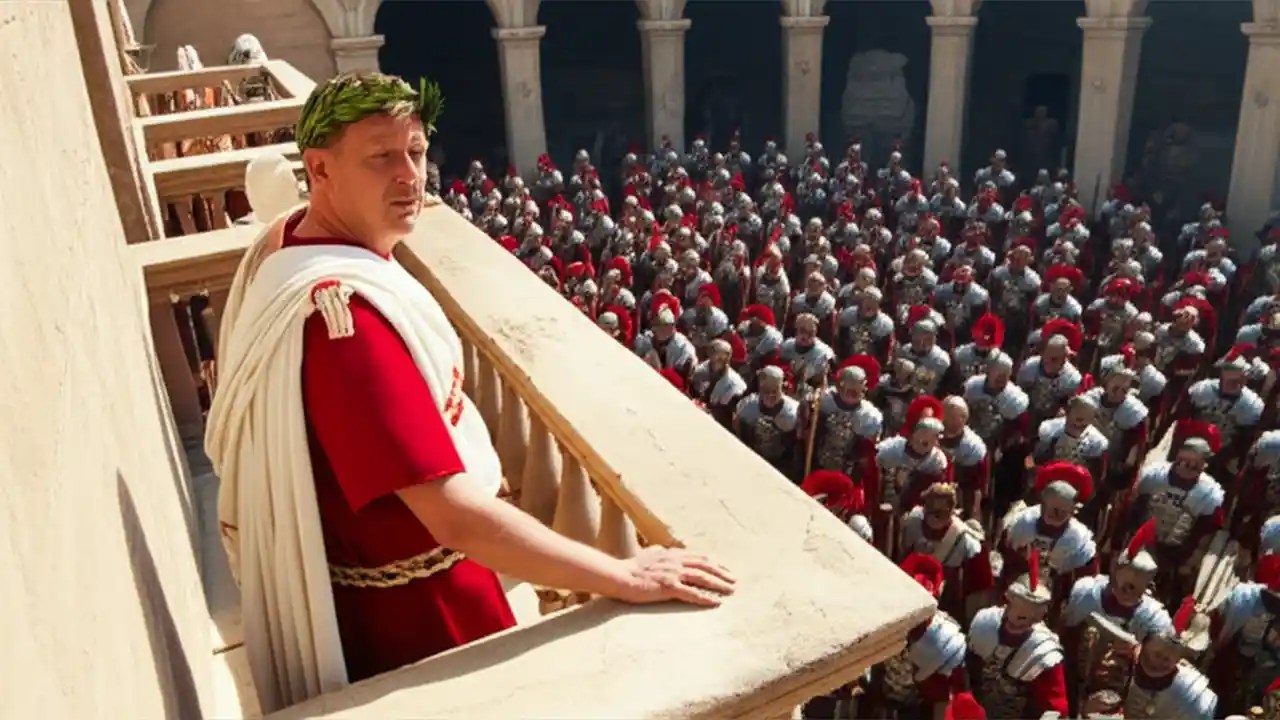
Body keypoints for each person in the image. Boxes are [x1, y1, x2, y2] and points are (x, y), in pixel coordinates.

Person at [206, 72, 734, 712]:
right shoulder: (345, 324)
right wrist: (619, 573)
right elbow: (452, 513)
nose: (410, 176)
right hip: (421, 613)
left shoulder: (288, 236)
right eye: (381, 157)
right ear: (319, 168)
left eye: (417, 152)